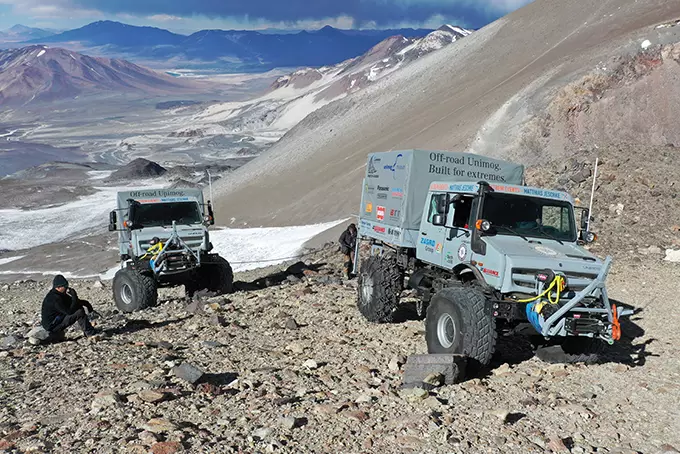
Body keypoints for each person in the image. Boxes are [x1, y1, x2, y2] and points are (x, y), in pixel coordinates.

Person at [40, 275, 98, 342]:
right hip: (52, 326)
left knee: (79, 308)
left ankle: (88, 330)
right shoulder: (54, 299)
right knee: (79, 312)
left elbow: (75, 302)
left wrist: (87, 304)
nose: (67, 288)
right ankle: (90, 333)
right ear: (58, 287)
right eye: (64, 286)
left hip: (57, 320)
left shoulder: (60, 294)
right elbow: (69, 312)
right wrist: (74, 296)